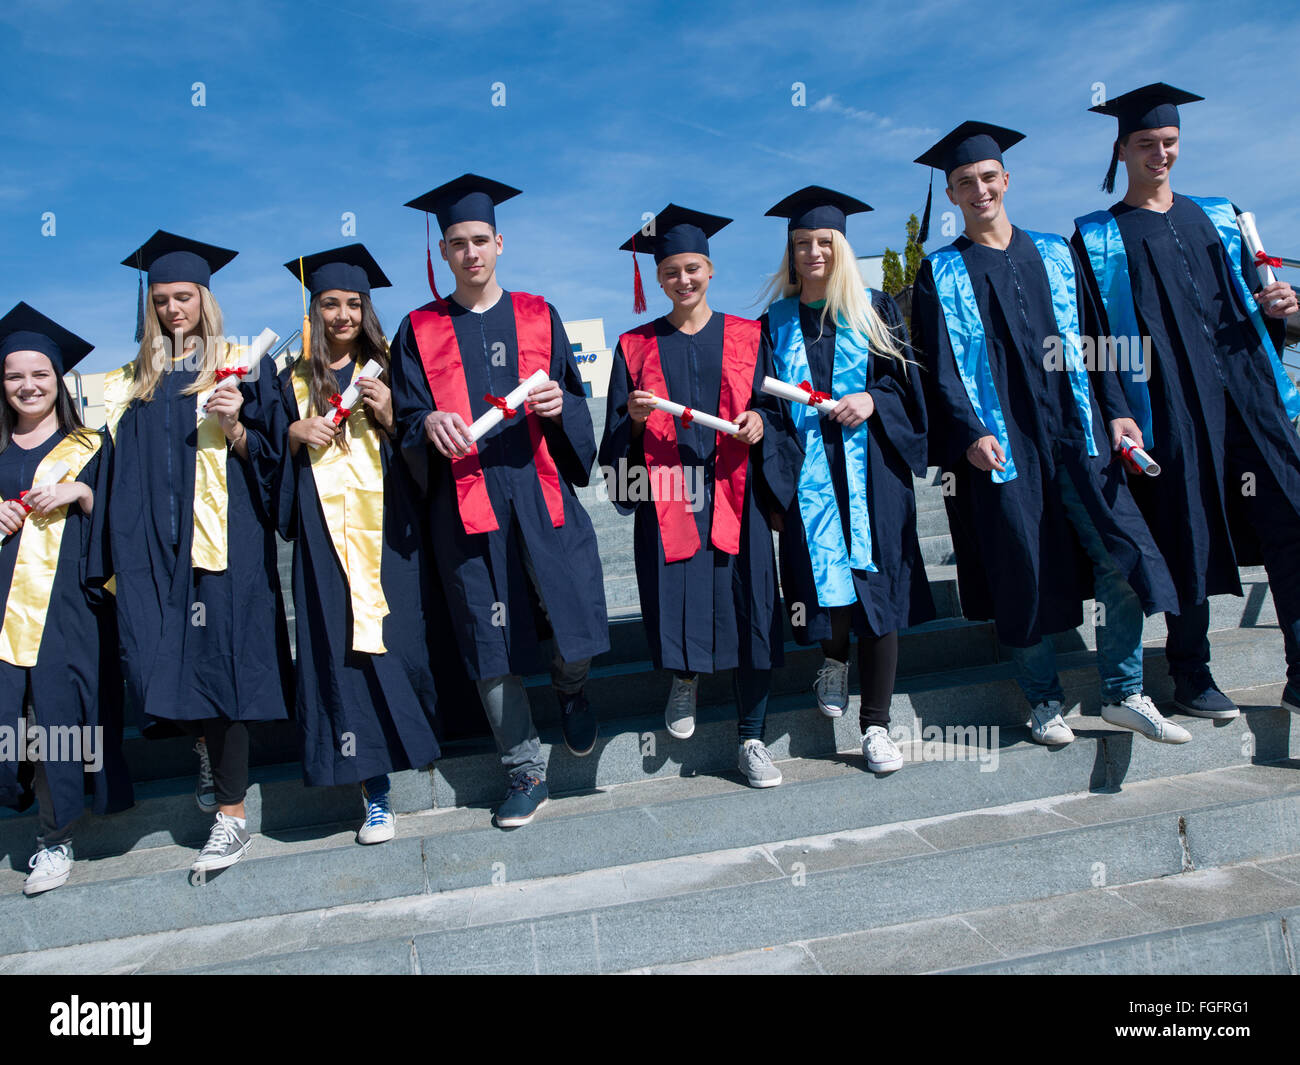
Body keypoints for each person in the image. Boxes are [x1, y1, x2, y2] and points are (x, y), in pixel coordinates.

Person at [910, 123, 1185, 746]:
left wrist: (1115, 409)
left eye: (987, 178)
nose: (978, 190)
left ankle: (1123, 689)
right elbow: (941, 369)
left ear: (1006, 180)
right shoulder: (941, 272)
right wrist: (969, 430)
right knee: (1022, 568)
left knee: (1125, 554)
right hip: (1005, 443)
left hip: (1078, 428)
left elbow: (1095, 342)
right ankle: (1042, 700)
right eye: (964, 183)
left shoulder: (1056, 252)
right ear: (951, 196)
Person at [1072, 83, 1300, 721]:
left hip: (1250, 396)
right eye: (1146, 144)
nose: (1161, 154)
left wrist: (1279, 308)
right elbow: (1096, 341)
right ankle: (1191, 676)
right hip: (1169, 406)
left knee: (1291, 516)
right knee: (1188, 532)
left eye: (1169, 142)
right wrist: (1117, 407)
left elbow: (1251, 308)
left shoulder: (1220, 216)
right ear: (1121, 151)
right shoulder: (1098, 238)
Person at [388, 174, 608, 829]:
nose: (471, 253)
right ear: (444, 252)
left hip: (540, 490)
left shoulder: (540, 314)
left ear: (500, 242)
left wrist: (561, 404)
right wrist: (425, 424)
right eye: (457, 243)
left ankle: (570, 687)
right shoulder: (419, 328)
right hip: (466, 505)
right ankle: (524, 769)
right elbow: (405, 416)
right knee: (488, 638)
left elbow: (571, 394)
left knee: (572, 608)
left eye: (480, 240)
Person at [93, 231, 293, 873]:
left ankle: (231, 818)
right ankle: (204, 747)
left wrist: (236, 424)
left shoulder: (242, 365)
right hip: (149, 550)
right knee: (153, 667)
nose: (173, 309)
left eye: (184, 297)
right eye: (161, 300)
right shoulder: (129, 385)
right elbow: (108, 473)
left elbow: (274, 464)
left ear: (205, 300)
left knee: (221, 668)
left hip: (221, 550)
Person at [599, 205, 798, 787]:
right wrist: (634, 422)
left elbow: (776, 405)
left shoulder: (749, 334)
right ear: (657, 279)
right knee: (676, 596)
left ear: (710, 269)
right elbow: (616, 434)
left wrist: (762, 420)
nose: (682, 280)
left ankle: (752, 737)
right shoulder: (634, 345)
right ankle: (683, 681)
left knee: (752, 608)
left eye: (692, 268)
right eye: (670, 273)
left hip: (738, 493)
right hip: (669, 495)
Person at [758, 186, 934, 773]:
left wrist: (872, 398)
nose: (814, 253)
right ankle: (833, 661)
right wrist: (775, 489)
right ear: (790, 252)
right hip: (808, 479)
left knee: (876, 596)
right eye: (803, 243)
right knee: (828, 594)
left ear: (841, 248)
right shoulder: (773, 324)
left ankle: (877, 726)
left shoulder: (874, 309)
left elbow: (906, 387)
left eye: (824, 242)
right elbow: (768, 411)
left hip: (872, 477)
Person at [277, 244, 440, 844]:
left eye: (353, 303)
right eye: (328, 304)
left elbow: (429, 445)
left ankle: (420, 741)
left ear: (366, 309)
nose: (341, 315)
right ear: (313, 311)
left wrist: (396, 415)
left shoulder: (396, 368)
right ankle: (374, 790)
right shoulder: (289, 382)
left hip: (391, 529)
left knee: (400, 639)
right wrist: (293, 433)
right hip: (323, 538)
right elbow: (266, 464)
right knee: (341, 655)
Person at [0, 304, 132, 894]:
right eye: (13, 376)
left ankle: (53, 838)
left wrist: (83, 492)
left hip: (70, 604)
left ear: (59, 380)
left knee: (56, 713)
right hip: (3, 600)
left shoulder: (91, 445)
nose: (28, 386)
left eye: (40, 375)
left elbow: (127, 523)